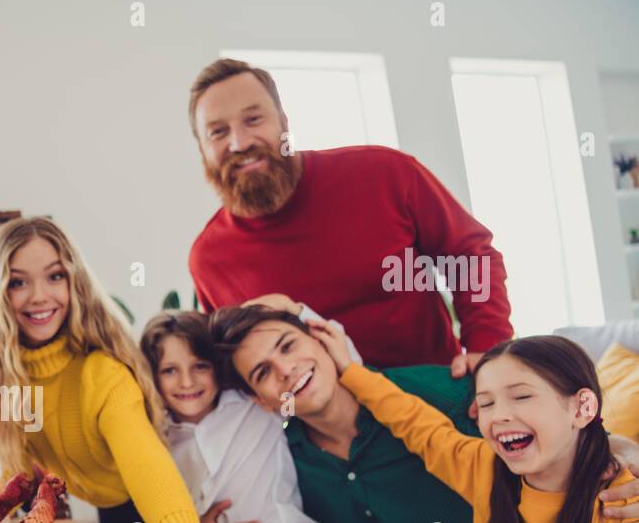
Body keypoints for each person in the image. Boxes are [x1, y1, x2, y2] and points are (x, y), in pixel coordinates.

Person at [211, 306, 639, 523]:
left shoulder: (446, 395)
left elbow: (566, 419)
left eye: (289, 346)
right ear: (258, 400)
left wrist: (616, 453)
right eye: (263, 372)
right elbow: (425, 432)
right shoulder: (279, 456)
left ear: (322, 339)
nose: (285, 370)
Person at [0, 217, 255, 523]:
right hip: (107, 507)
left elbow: (147, 466)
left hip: (159, 497)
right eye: (18, 282)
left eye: (54, 276)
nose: (39, 296)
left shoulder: (101, 373)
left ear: (74, 282)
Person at [187, 58, 513, 375]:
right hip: (316, 427)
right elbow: (232, 369)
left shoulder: (385, 173)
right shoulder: (209, 260)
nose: (240, 142)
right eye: (217, 132)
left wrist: (487, 350)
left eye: (254, 120)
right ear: (202, 150)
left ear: (284, 123)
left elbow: (470, 257)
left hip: (435, 401)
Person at [140, 310, 330, 523]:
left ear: (217, 367)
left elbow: (329, 347)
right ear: (152, 376)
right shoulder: (154, 440)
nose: (187, 382)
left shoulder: (256, 404)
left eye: (200, 366)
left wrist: (287, 307)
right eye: (170, 370)